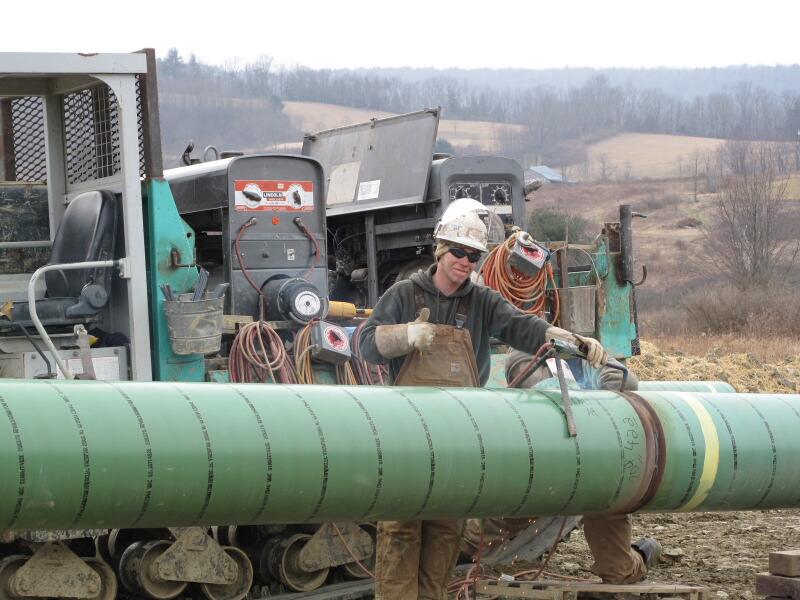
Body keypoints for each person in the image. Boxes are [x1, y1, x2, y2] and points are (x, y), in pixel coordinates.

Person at [359, 207, 611, 600]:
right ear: (440, 249)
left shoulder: (482, 300)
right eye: (458, 252)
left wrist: (568, 340)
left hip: (459, 432)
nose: (465, 262)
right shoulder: (405, 294)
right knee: (401, 531)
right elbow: (366, 344)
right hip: (408, 432)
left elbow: (522, 327)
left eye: (474, 255)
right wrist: (402, 336)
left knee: (446, 531)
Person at [459, 351, 662, 585]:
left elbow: (626, 380)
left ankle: (644, 551)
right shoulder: (525, 360)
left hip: (596, 474)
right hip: (542, 472)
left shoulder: (586, 366)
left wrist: (601, 397)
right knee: (472, 542)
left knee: (617, 571)